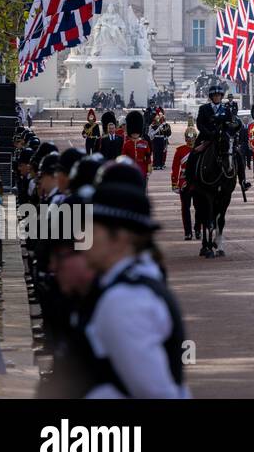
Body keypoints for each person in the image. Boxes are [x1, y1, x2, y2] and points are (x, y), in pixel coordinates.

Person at [79, 161, 190, 398]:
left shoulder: (125, 300)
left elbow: (156, 392)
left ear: (119, 237)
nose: (82, 238)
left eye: (91, 229)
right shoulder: (131, 283)